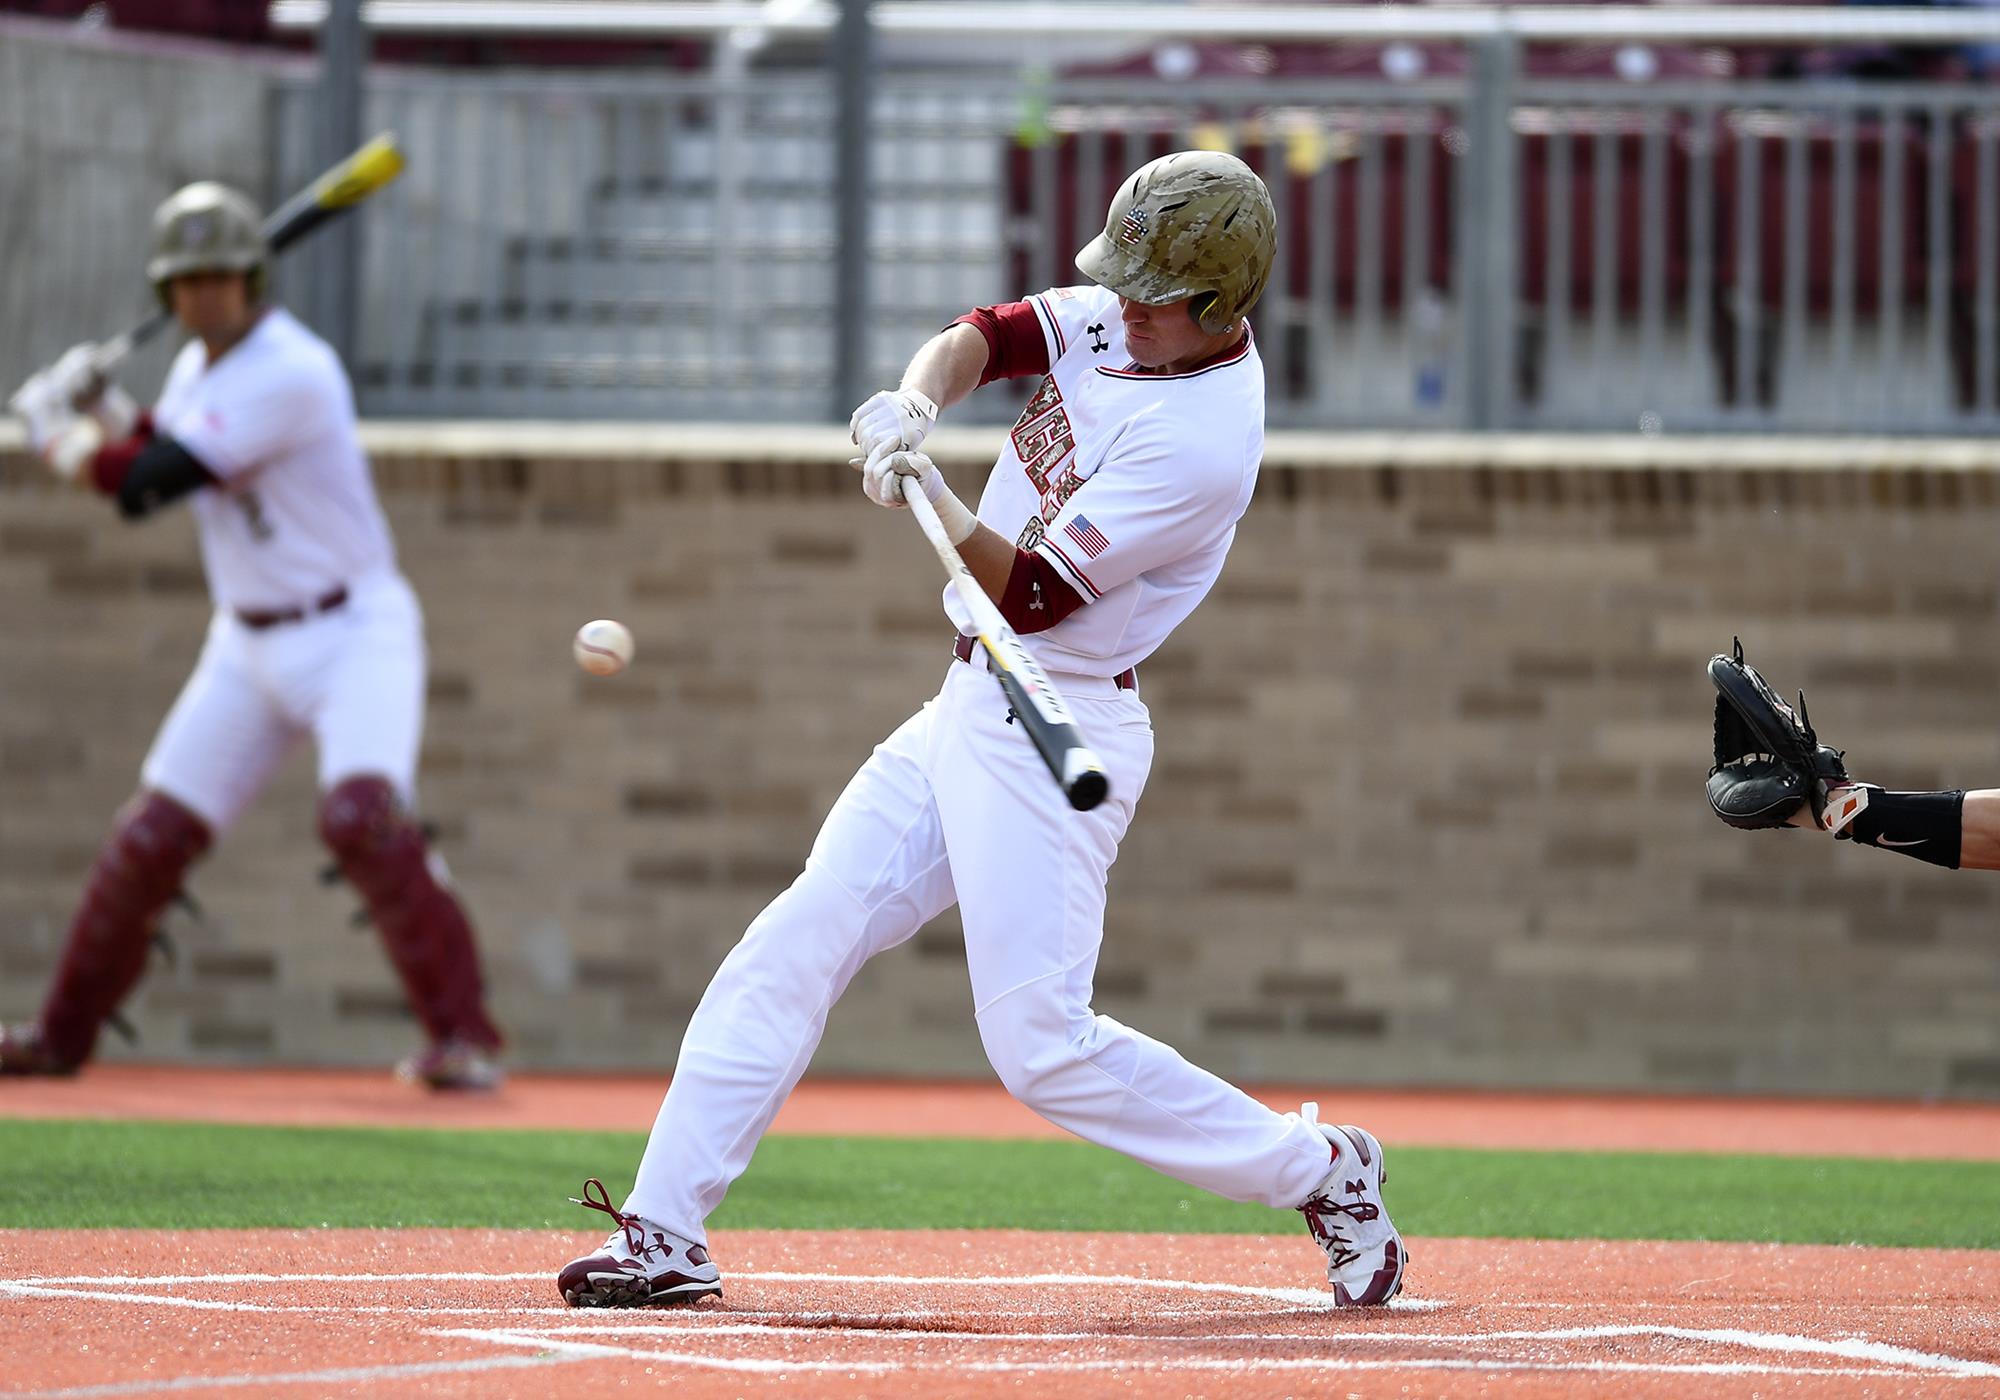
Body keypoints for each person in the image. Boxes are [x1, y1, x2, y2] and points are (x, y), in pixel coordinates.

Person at [556, 151, 1405, 1309]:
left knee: (1039, 1044)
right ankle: (664, 1228)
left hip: (1053, 710)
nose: (1122, 307)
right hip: (970, 699)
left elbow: (1034, 595)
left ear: (1219, 304)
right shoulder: (1127, 315)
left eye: (1152, 296)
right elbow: (990, 335)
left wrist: (939, 494)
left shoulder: (1201, 439)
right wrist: (916, 403)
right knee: (799, 933)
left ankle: (1319, 1168)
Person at [3, 182, 505, 1090]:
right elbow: (167, 441)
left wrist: (55, 434)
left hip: (350, 630)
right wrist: (106, 408)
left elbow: (146, 484)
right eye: (187, 282)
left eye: (220, 277)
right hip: (245, 642)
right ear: (167, 292)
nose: (204, 296)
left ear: (252, 278)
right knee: (151, 837)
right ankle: (56, 1037)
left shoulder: (293, 369)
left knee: (362, 819)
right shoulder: (197, 371)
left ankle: (463, 1038)